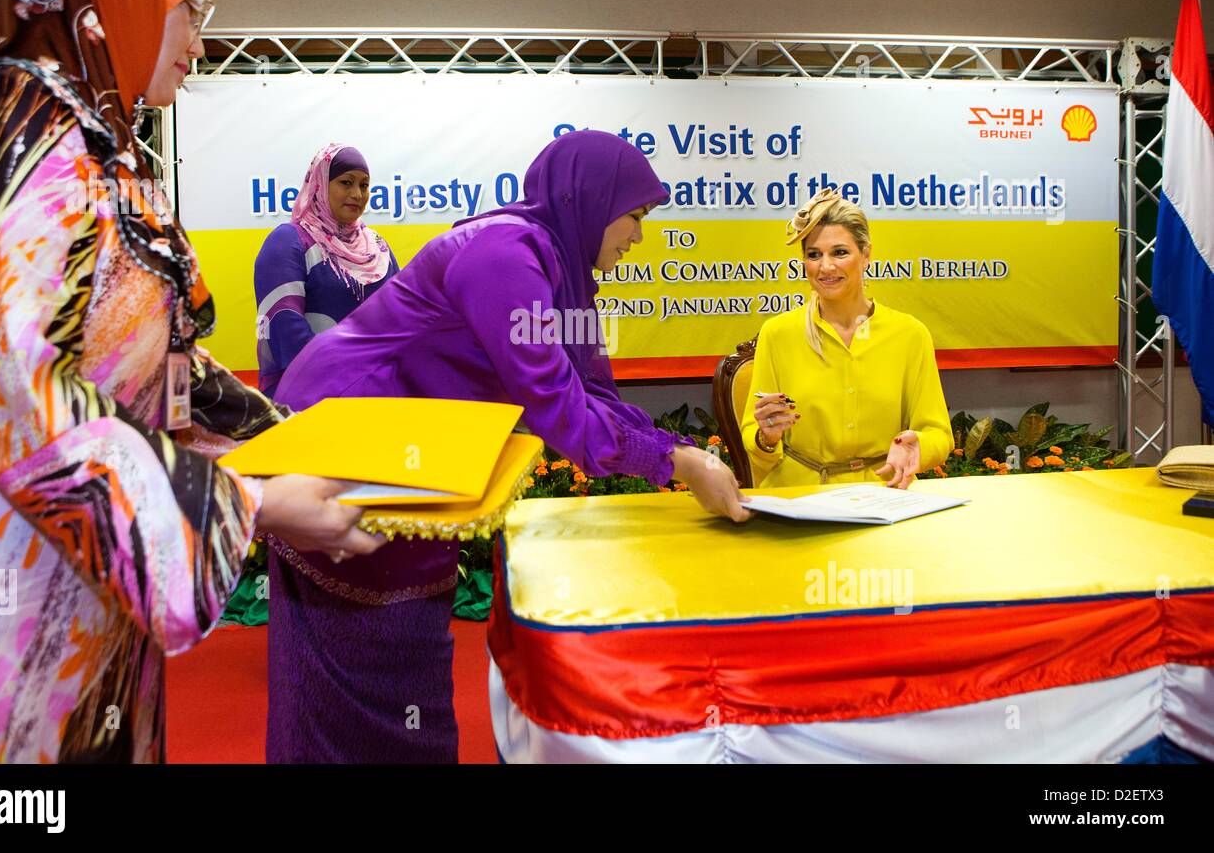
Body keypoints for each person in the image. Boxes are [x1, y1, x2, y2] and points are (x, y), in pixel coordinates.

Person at [0, 0, 381, 763]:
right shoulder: (8, 131)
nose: (200, 42)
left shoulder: (93, 141)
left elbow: (159, 359)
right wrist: (248, 503)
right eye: (189, 7)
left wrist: (294, 442)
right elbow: (21, 391)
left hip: (87, 559)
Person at [268, 129, 751, 763]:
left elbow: (592, 391)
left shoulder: (563, 272)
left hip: (414, 447)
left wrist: (679, 452)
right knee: (363, 643)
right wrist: (675, 463)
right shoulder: (506, 257)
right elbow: (557, 407)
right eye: (633, 215)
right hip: (350, 435)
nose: (638, 235)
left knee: (409, 638)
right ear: (590, 199)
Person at [742, 189, 951, 489]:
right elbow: (755, 437)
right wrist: (767, 436)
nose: (825, 267)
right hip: (798, 497)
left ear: (866, 255)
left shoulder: (910, 335)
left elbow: (938, 434)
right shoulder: (778, 334)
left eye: (839, 252)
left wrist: (920, 444)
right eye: (814, 255)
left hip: (884, 494)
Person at [254, 144, 398, 397]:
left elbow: (400, 318)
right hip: (307, 396)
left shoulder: (377, 248)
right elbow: (283, 327)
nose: (357, 194)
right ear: (320, 184)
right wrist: (347, 378)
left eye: (364, 185)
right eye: (346, 182)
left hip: (376, 395)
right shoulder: (289, 241)